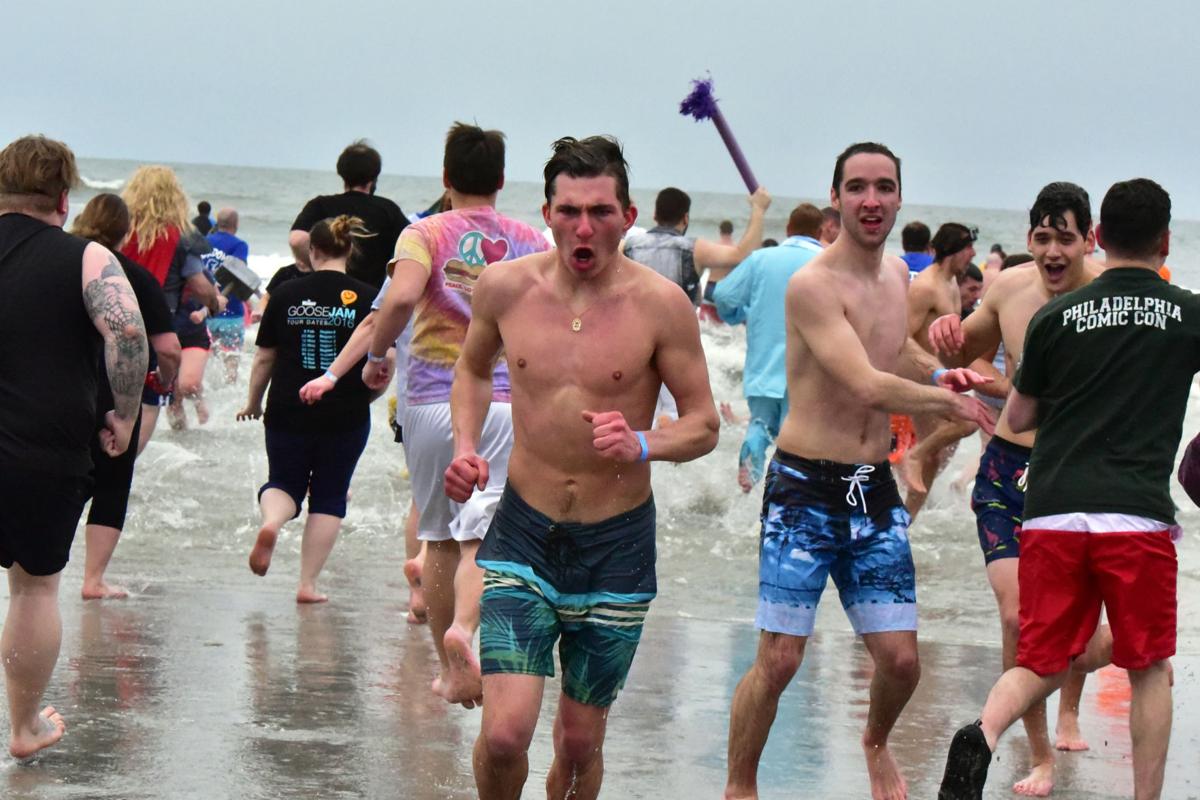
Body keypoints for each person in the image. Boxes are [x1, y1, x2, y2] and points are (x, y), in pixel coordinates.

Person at [447, 134, 719, 800]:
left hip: (616, 547)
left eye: (600, 210)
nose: (584, 225)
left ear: (628, 216)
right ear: (547, 213)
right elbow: (472, 369)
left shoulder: (662, 306)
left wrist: (645, 443)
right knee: (506, 734)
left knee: (577, 745)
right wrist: (464, 445)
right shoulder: (505, 288)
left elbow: (704, 423)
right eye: (569, 210)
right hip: (524, 535)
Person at [723, 142, 993, 800]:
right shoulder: (812, 284)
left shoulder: (896, 275)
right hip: (804, 487)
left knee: (901, 662)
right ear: (837, 198)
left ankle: (874, 742)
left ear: (899, 198)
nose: (871, 199)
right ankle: (740, 784)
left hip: (869, 489)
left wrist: (936, 372)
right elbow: (865, 384)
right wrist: (949, 402)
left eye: (883, 187)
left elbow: (891, 350)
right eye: (857, 188)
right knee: (781, 659)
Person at [939, 178, 1197, 800]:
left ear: (1099, 237)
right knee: (1147, 668)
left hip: (1052, 513)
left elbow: (1020, 418)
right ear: (1165, 241)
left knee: (1039, 658)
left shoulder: (1055, 315)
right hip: (1134, 517)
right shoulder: (1188, 313)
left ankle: (984, 729)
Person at [928, 182, 1108, 796]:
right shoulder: (1008, 287)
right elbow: (967, 346)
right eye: (1042, 237)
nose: (1053, 250)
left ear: (1090, 239)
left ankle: (1079, 702)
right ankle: (1037, 755)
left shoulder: (1111, 293)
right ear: (1030, 239)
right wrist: (948, 342)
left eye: (1066, 237)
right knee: (1018, 615)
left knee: (1080, 624)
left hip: (1075, 474)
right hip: (1007, 469)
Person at [364, 121, 550, 707]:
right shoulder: (530, 238)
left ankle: (450, 667)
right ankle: (465, 631)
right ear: (501, 178)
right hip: (504, 398)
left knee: (439, 536)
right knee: (485, 533)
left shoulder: (422, 232)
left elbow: (397, 299)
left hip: (428, 398)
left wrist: (377, 356)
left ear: (445, 178)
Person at [0, 134, 148, 759]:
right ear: (63, 199)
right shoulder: (87, 257)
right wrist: (124, 414)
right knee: (34, 587)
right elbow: (128, 335)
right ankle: (25, 727)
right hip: (43, 449)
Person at [237, 215, 378, 603]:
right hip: (345, 410)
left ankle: (272, 522)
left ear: (312, 251)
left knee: (283, 481)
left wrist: (253, 402)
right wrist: (368, 399)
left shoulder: (284, 293)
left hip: (286, 407)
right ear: (349, 250)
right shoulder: (368, 296)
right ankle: (307, 585)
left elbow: (265, 358)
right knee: (330, 496)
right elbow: (384, 364)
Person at [70, 193, 181, 600]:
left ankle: (36, 562)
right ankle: (93, 579)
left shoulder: (56, 263)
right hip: (113, 394)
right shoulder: (132, 276)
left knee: (58, 476)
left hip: (55, 390)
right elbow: (168, 348)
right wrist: (163, 381)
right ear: (125, 232)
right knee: (112, 481)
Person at [712, 203, 824, 493]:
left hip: (763, 364)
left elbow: (723, 294)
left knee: (760, 425)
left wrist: (738, 316)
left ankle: (748, 484)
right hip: (808, 371)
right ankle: (786, 494)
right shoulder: (826, 262)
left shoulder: (761, 258)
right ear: (821, 231)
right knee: (797, 441)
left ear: (788, 229)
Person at [121, 165, 224, 437]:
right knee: (150, 398)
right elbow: (199, 284)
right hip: (157, 322)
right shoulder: (181, 235)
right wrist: (214, 303)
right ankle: (126, 463)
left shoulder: (121, 228)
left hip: (114, 318)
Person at [898, 221, 979, 518]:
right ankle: (913, 456)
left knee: (935, 457)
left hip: (939, 378)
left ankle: (906, 520)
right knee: (968, 421)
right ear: (953, 251)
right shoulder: (925, 286)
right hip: (920, 375)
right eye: (968, 247)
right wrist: (930, 371)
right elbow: (902, 336)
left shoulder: (951, 283)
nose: (973, 253)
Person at [290, 140, 410, 290]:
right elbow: (413, 244)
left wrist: (314, 264)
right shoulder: (388, 210)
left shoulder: (320, 205)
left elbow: (296, 240)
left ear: (341, 172)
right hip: (368, 298)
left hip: (324, 291)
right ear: (374, 175)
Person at [622, 185, 771, 304]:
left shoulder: (629, 246)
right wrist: (758, 209)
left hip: (638, 334)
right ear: (685, 218)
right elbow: (742, 255)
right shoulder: (695, 249)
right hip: (678, 333)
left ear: (655, 215)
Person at [204, 207, 251, 383]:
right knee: (231, 361)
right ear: (236, 224)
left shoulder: (202, 241)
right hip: (230, 311)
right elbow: (238, 272)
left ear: (218, 222)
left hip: (204, 310)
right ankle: (229, 396)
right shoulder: (239, 245)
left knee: (207, 360)